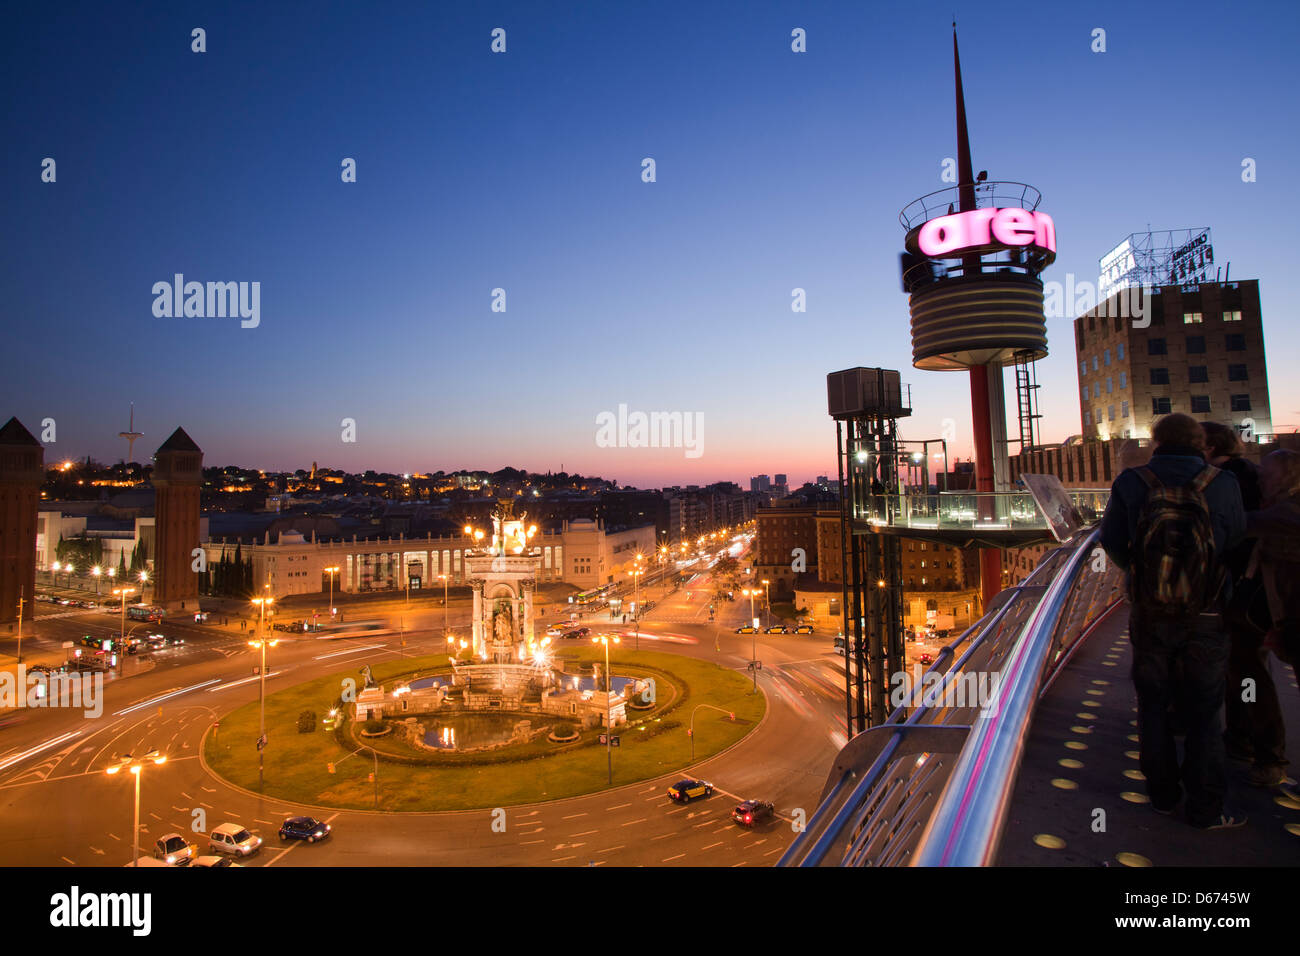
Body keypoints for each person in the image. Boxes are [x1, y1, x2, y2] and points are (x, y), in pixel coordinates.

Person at [1100, 413, 1246, 829]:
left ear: (1156, 440)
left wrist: (1139, 572)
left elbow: (1111, 539)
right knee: (1204, 712)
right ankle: (1205, 808)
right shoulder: (1222, 483)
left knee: (1152, 704)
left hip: (1150, 611)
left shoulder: (1133, 482)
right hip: (1208, 610)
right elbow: (1235, 539)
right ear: (1200, 441)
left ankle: (1162, 795)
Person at [1202, 422, 1283, 785]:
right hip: (1257, 597)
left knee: (1248, 671)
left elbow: (1232, 530)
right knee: (1243, 669)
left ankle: (1267, 754)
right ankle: (1241, 739)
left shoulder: (1223, 481)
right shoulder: (1246, 474)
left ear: (1209, 447)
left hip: (1246, 595)